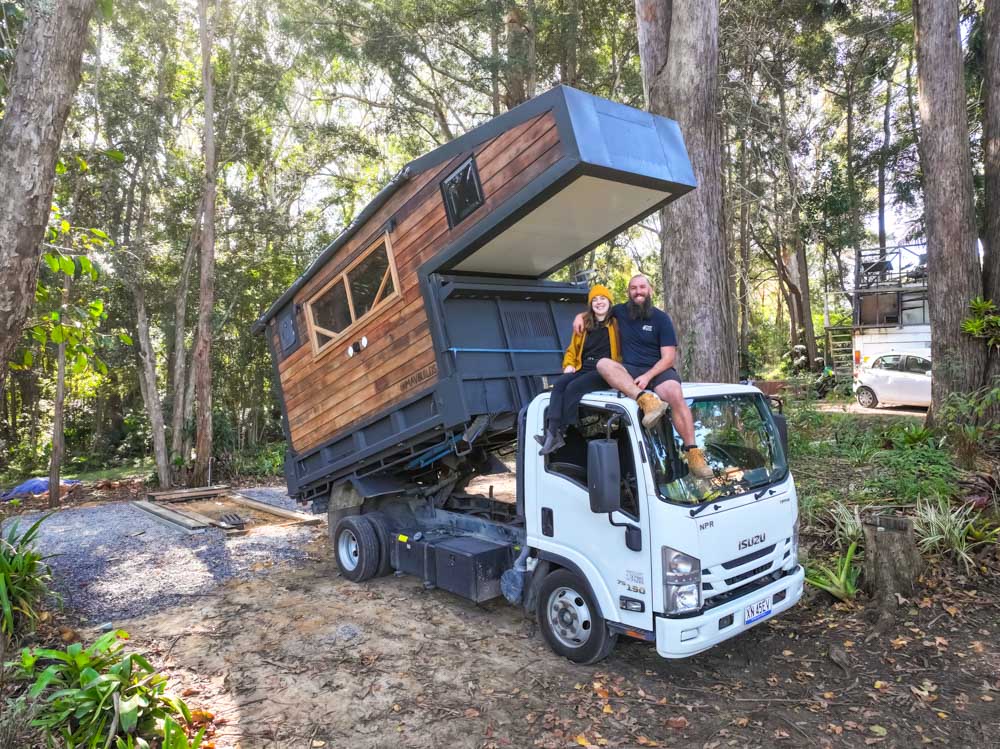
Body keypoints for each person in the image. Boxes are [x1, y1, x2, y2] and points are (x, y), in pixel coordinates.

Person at [573, 274, 713, 479]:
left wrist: (648, 376)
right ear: (628, 292)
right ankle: (646, 401)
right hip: (629, 368)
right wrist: (580, 316)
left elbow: (669, 358)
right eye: (633, 288)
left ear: (650, 290)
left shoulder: (661, 319)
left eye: (642, 287)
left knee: (674, 393)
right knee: (603, 364)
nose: (638, 292)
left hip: (658, 369)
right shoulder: (620, 311)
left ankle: (693, 453)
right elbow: (597, 309)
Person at [536, 285, 622, 455]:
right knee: (560, 384)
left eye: (602, 298)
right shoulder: (584, 325)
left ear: (609, 301)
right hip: (583, 367)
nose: (599, 302)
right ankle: (552, 431)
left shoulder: (617, 323)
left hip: (604, 371)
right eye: (594, 300)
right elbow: (571, 350)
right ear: (590, 305)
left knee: (574, 387)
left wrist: (579, 315)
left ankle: (562, 431)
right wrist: (568, 364)